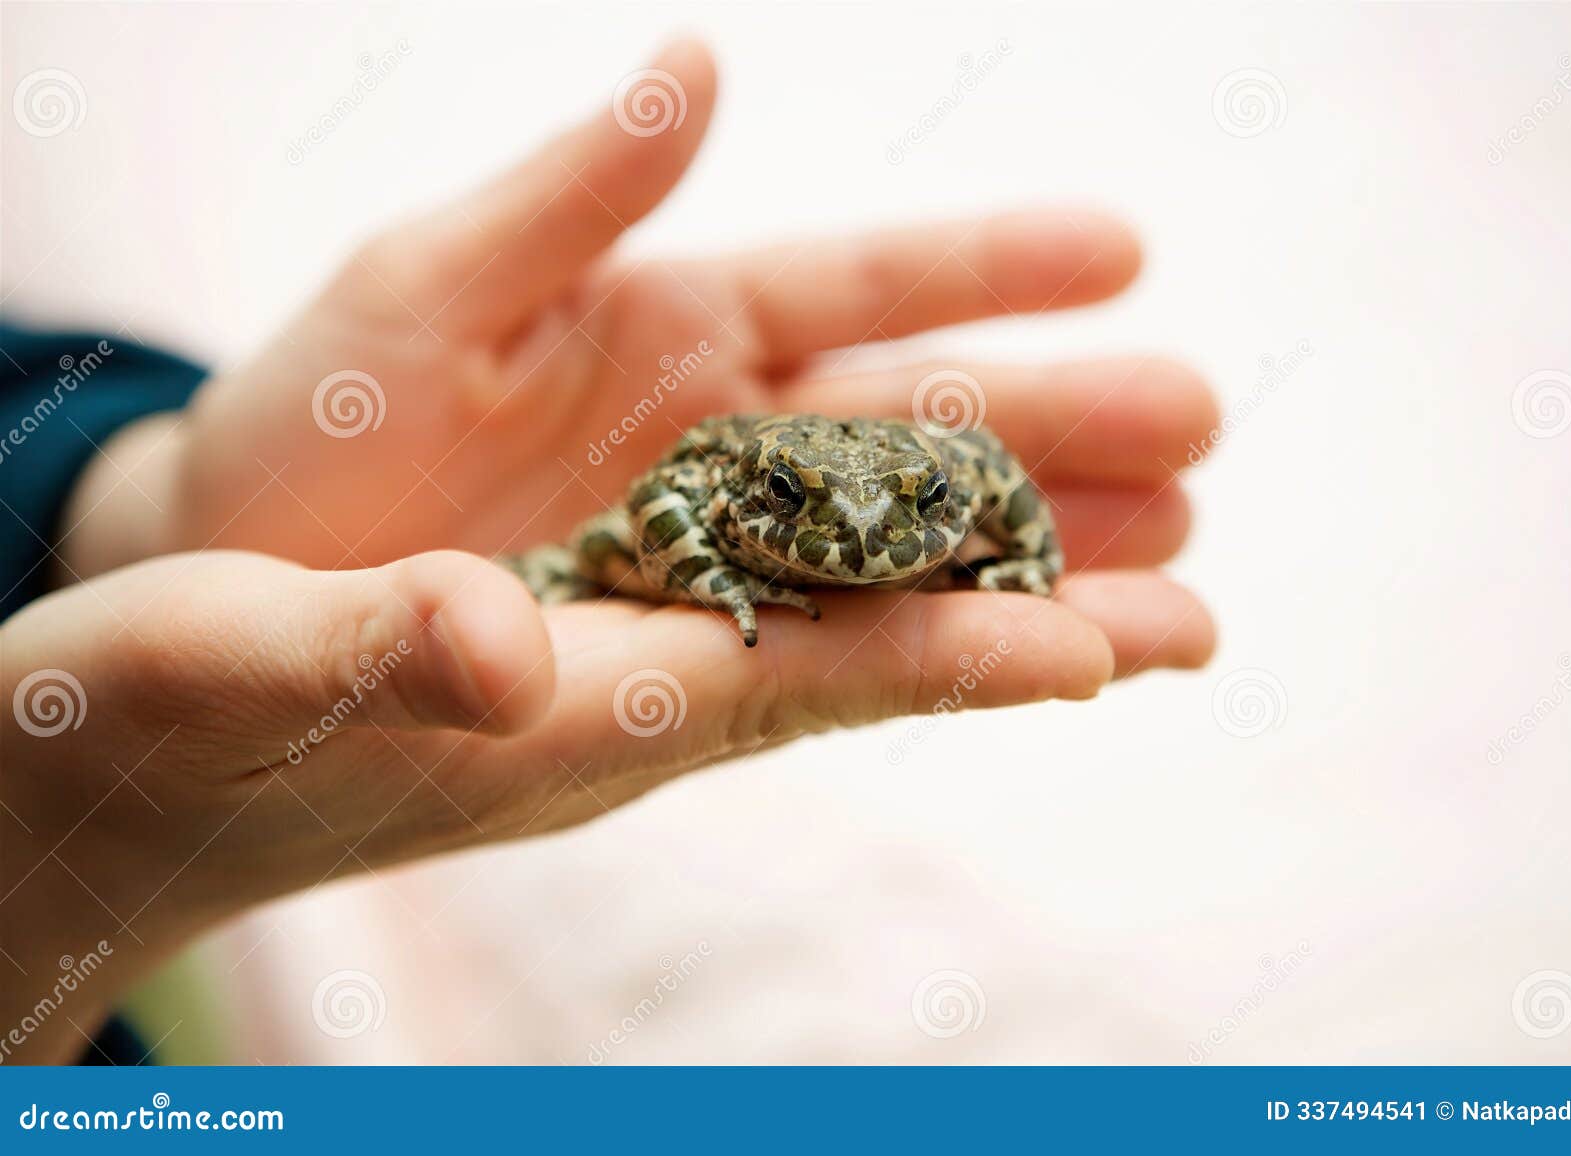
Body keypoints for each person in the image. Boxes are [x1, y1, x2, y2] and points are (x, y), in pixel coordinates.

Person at [0, 39, 1218, 1065]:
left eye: (899, 515)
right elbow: (663, 509)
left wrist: (115, 506)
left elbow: (993, 474)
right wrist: (47, 860)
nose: (856, 543)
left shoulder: (932, 480)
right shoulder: (727, 489)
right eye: (811, 514)